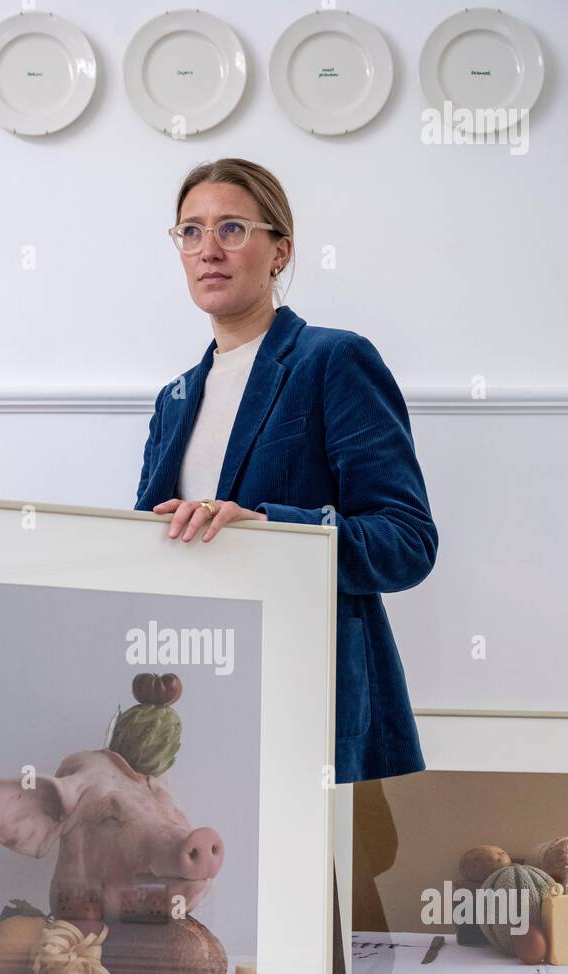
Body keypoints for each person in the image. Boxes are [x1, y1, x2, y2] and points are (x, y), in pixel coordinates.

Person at [134, 157, 438, 786]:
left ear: (280, 251)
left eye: (232, 229)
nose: (207, 249)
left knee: (320, 887)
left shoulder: (334, 360)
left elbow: (406, 542)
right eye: (190, 232)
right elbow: (146, 553)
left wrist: (269, 525)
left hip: (311, 702)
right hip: (197, 706)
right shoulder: (175, 400)